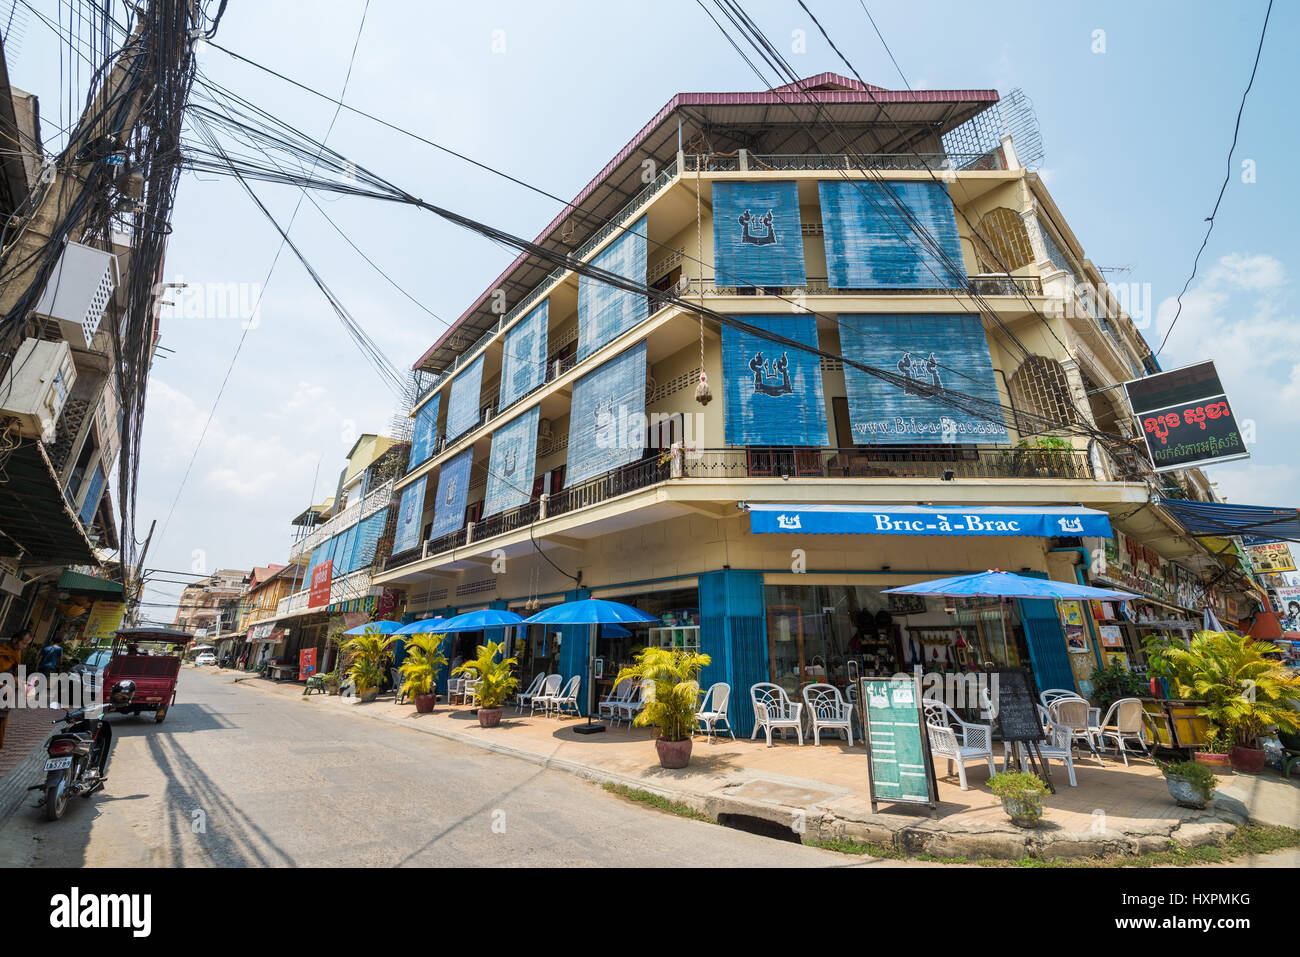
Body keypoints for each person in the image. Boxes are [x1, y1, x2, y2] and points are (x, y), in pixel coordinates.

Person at [0, 629, 35, 750]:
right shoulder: (2, 652)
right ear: (15, 640)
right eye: (23, 643)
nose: (24, 647)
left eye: (27, 644)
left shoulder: (16, 653)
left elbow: (12, 673)